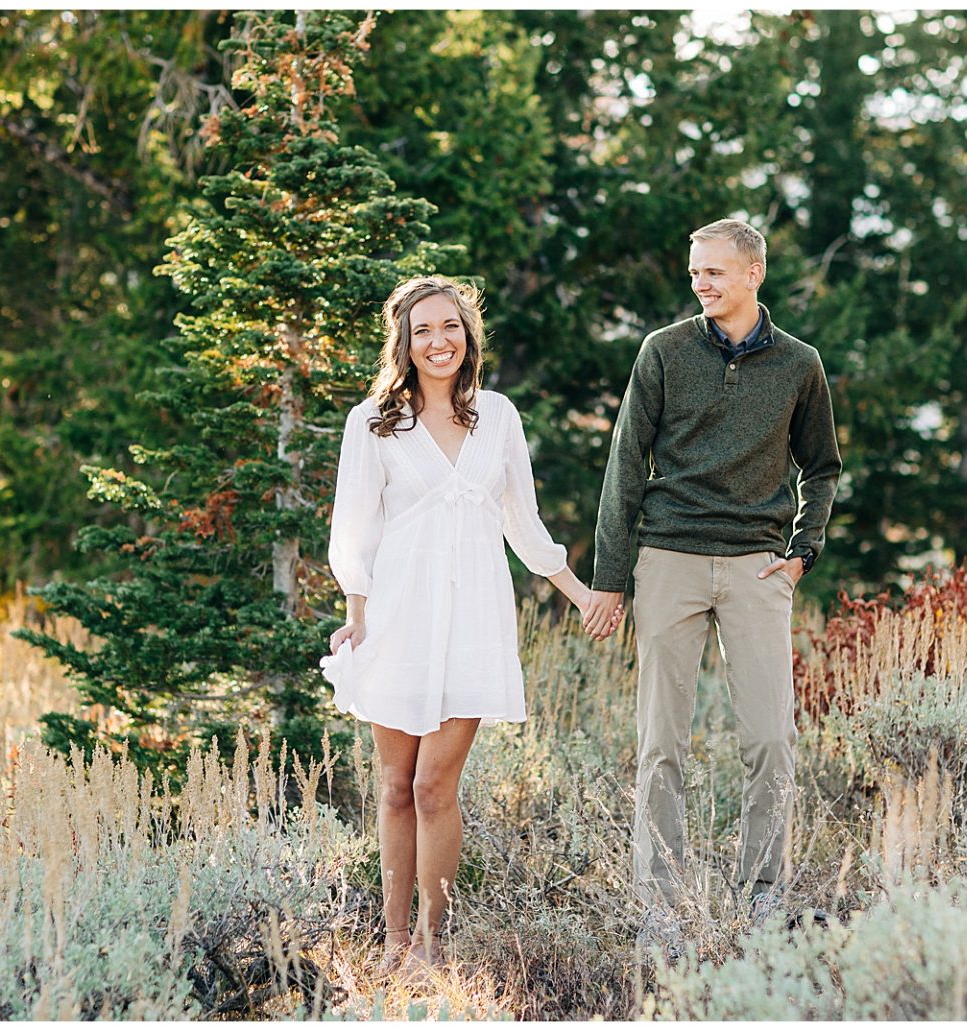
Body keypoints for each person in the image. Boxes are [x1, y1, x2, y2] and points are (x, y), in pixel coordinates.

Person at [321, 275, 622, 973]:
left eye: (450, 326)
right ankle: (393, 942)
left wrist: (580, 594)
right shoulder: (373, 422)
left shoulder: (499, 417)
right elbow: (353, 528)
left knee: (434, 787)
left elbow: (523, 522)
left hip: (474, 624)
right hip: (398, 621)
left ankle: (432, 945)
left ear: (468, 335)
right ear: (404, 342)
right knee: (394, 785)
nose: (439, 341)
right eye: (423, 329)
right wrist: (356, 613)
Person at [581, 219, 842, 942]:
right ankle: (659, 906)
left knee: (770, 738)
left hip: (758, 565)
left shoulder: (800, 364)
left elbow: (822, 466)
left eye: (714, 272)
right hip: (669, 558)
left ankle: (763, 896)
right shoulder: (663, 351)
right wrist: (610, 577)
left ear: (754, 273)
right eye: (695, 271)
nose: (700, 283)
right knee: (661, 741)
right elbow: (626, 463)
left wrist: (802, 551)